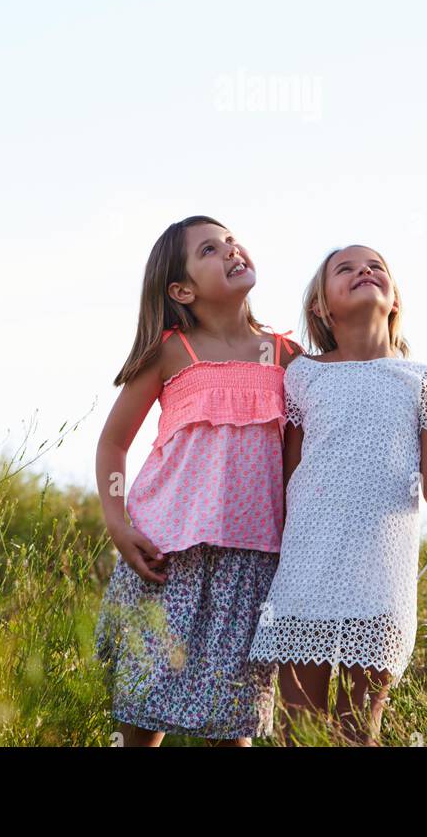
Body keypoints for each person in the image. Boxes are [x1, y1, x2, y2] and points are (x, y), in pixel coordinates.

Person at [248, 243, 427, 746]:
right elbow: (287, 481)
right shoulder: (303, 375)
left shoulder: (420, 380)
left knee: (356, 732)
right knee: (295, 733)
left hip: (379, 582)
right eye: (345, 268)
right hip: (306, 574)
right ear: (321, 307)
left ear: (394, 300)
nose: (363, 271)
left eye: (375, 267)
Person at [93, 214, 301, 747]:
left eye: (232, 240)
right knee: (142, 716)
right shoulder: (171, 351)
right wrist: (117, 524)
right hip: (169, 555)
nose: (232, 250)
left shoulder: (286, 356)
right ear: (182, 289)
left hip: (253, 563)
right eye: (210, 249)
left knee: (234, 724)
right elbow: (114, 444)